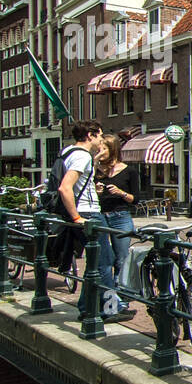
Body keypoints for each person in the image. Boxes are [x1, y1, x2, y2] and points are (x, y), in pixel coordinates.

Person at [56, 120, 117, 320]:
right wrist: (77, 217)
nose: (101, 139)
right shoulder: (81, 157)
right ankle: (108, 310)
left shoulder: (68, 152)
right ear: (90, 135)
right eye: (99, 135)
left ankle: (85, 307)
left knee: (94, 263)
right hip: (88, 214)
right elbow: (65, 187)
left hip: (84, 212)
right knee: (105, 262)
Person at [96, 135, 139, 317]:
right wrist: (96, 192)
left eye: (103, 149)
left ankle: (120, 301)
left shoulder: (130, 172)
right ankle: (110, 304)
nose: (99, 152)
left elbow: (136, 199)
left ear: (112, 149)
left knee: (121, 260)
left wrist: (121, 193)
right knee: (104, 261)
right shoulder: (95, 171)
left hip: (121, 216)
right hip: (101, 216)